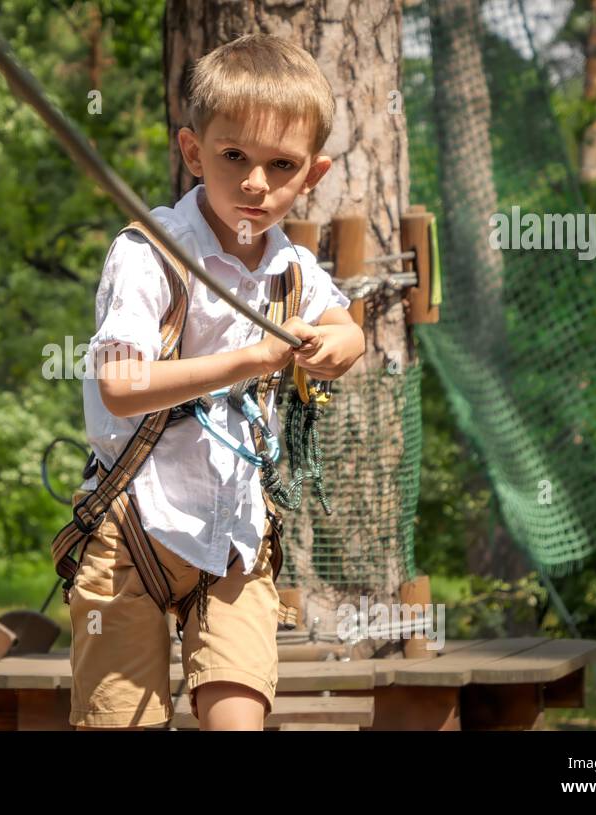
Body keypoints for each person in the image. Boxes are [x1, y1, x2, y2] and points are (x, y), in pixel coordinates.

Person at [62, 33, 366, 730]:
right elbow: (121, 383)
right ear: (194, 151)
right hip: (132, 529)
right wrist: (252, 359)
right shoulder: (150, 253)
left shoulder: (291, 266)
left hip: (232, 537)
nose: (256, 184)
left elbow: (348, 327)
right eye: (235, 157)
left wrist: (334, 345)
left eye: (280, 166)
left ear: (310, 176)